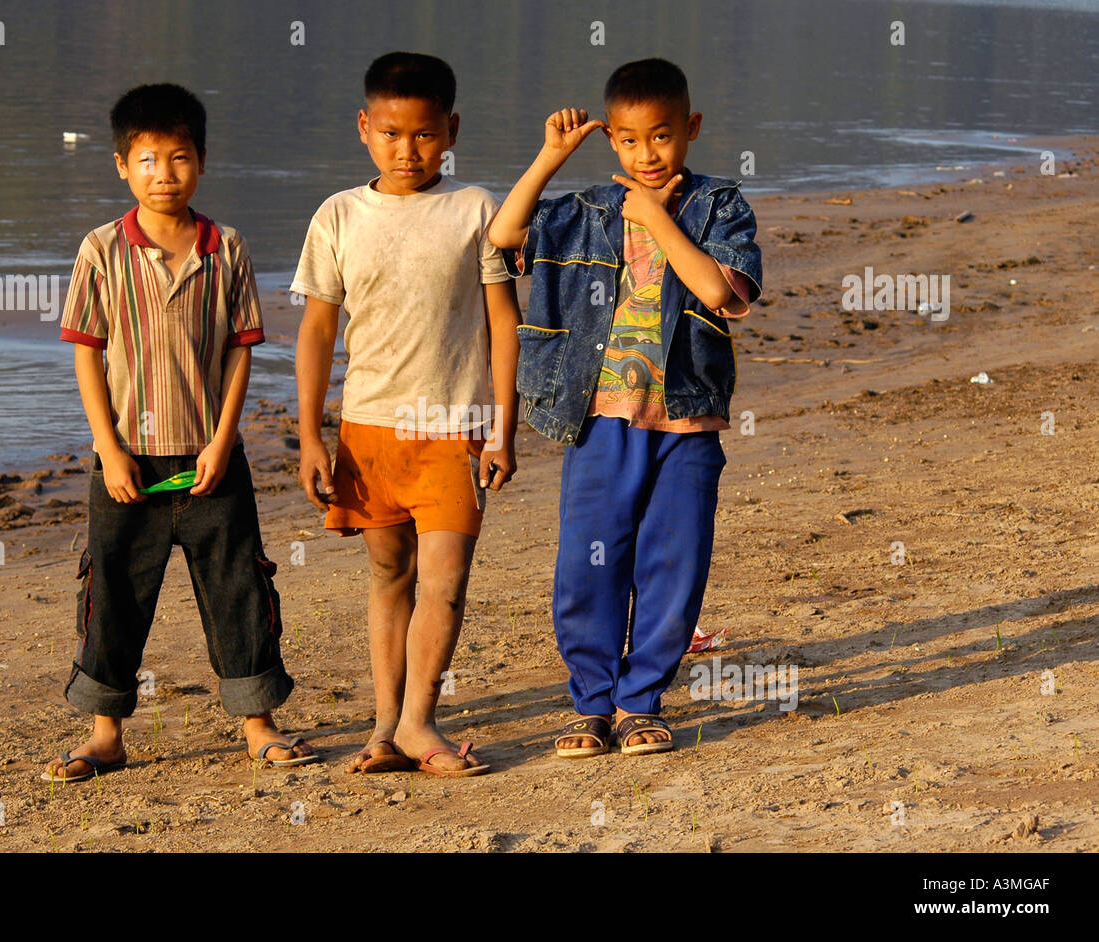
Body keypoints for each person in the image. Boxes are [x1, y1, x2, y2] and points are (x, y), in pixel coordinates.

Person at [489, 58, 762, 758]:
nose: (648, 155)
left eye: (663, 137)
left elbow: (724, 294)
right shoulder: (583, 212)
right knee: (589, 562)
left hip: (685, 419)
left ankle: (639, 703)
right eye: (632, 140)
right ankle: (590, 704)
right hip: (600, 418)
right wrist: (550, 157)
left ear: (691, 129)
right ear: (611, 139)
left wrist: (659, 222)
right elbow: (505, 236)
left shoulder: (717, 207)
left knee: (675, 562)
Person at [44, 83, 316, 783]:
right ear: (121, 165)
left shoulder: (225, 248)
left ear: (201, 161)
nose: (164, 173)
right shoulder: (101, 250)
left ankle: (258, 725)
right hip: (129, 464)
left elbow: (240, 351)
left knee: (238, 587)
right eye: (148, 160)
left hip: (210, 460)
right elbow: (86, 352)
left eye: (179, 157)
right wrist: (107, 450)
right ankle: (106, 734)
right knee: (113, 590)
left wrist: (225, 442)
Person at [292, 52, 521, 776]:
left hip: (450, 430)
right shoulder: (338, 215)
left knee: (445, 580)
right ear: (365, 128)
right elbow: (318, 333)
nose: (407, 150)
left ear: (450, 130)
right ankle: (385, 725)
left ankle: (422, 721)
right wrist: (310, 435)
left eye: (424, 135)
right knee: (389, 575)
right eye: (391, 134)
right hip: (367, 431)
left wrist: (504, 428)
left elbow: (504, 325)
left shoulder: (476, 209)